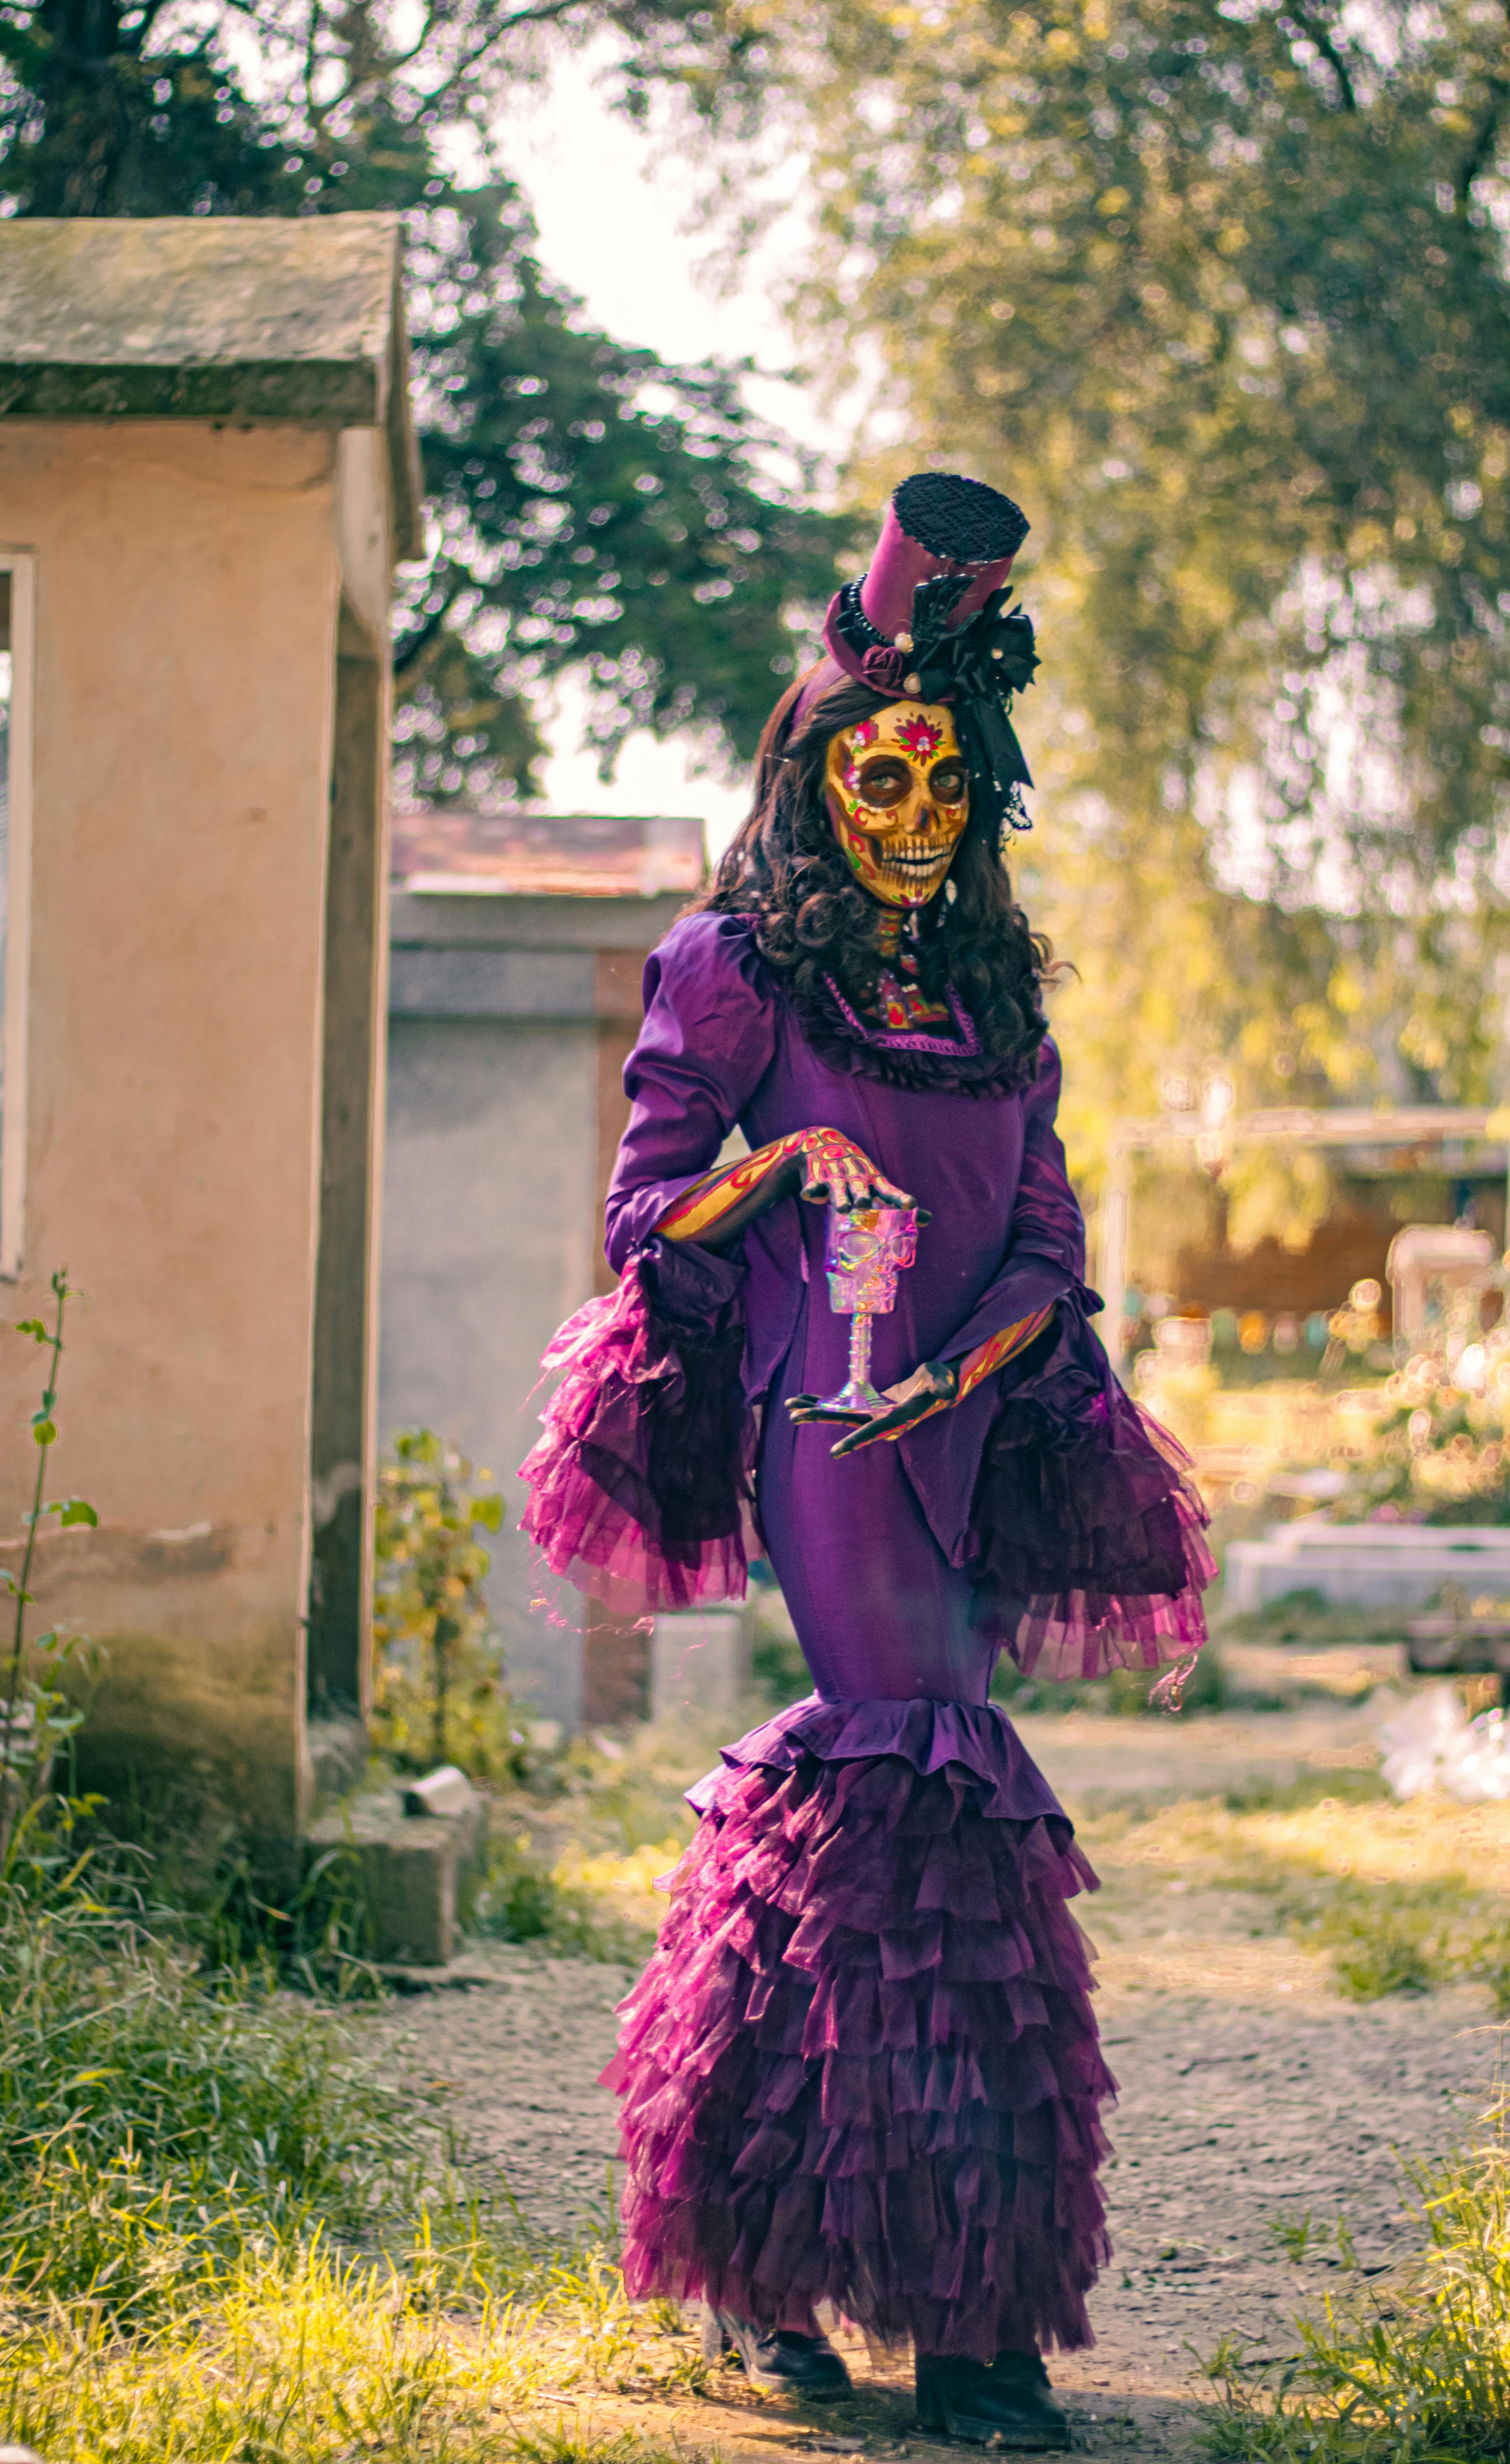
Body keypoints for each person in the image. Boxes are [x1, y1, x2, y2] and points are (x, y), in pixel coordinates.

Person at [522, 472, 1212, 2448]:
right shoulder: (737, 969)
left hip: (971, 1431)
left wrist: (972, 1367)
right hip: (814, 1423)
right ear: (817, 788)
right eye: (872, 781)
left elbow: (1050, 1250)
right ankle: (968, 2331)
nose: (908, 818)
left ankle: (760, 2260)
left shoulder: (997, 997)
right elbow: (646, 1214)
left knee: (885, 1826)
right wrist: (787, 1167)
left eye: (941, 787)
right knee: (927, 1779)